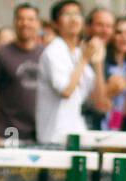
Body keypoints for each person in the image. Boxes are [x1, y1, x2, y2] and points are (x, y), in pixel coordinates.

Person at [35, 0, 108, 146]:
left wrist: (98, 63)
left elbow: (99, 101)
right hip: (54, 138)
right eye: (67, 14)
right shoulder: (53, 52)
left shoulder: (78, 53)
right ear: (55, 23)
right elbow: (66, 91)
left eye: (77, 14)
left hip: (78, 135)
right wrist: (85, 59)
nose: (74, 19)